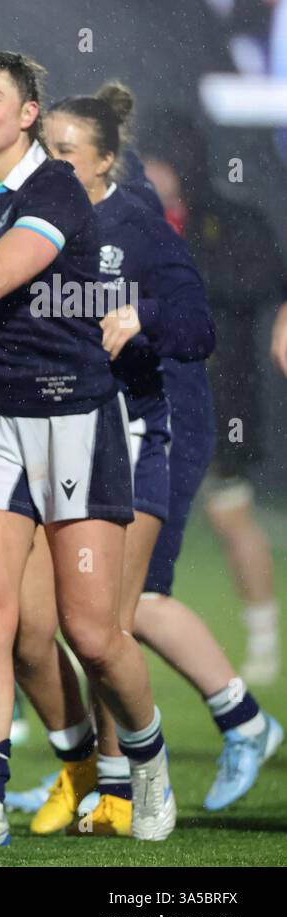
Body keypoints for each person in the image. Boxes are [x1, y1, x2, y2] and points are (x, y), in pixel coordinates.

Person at [0, 50, 176, 845]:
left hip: (74, 421)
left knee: (91, 634)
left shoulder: (50, 186)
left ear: (27, 114)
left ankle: (145, 763)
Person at [14, 85, 278, 836]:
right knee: (74, 620)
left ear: (105, 161)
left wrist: (143, 316)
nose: (53, 162)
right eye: (47, 149)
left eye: (68, 151)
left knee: (116, 615)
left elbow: (195, 326)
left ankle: (153, 768)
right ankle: (110, 776)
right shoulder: (30, 216)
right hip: (74, 426)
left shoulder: (134, 221)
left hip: (155, 420)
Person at [141, 114, 286, 686]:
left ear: (180, 162)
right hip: (141, 390)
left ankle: (264, 637)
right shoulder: (132, 217)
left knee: (229, 514)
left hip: (219, 389)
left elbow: (264, 284)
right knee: (124, 516)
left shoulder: (229, 220)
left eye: (156, 161)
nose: (147, 173)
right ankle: (111, 631)